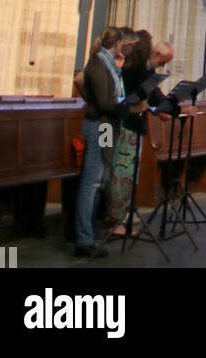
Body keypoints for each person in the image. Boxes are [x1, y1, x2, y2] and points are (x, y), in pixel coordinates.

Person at [74, 28, 134, 258]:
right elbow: (103, 102)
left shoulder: (109, 65)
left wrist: (120, 75)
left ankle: (92, 231)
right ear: (117, 43)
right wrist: (129, 105)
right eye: (122, 44)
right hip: (99, 124)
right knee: (91, 181)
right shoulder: (98, 64)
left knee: (102, 178)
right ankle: (83, 238)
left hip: (107, 126)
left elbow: (113, 94)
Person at [108, 33, 174, 237]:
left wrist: (171, 107)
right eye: (163, 61)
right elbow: (144, 94)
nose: (161, 66)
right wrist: (162, 107)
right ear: (154, 53)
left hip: (136, 126)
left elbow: (152, 94)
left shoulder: (145, 69)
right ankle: (115, 219)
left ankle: (125, 213)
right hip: (127, 125)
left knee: (131, 174)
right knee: (122, 174)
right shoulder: (135, 69)